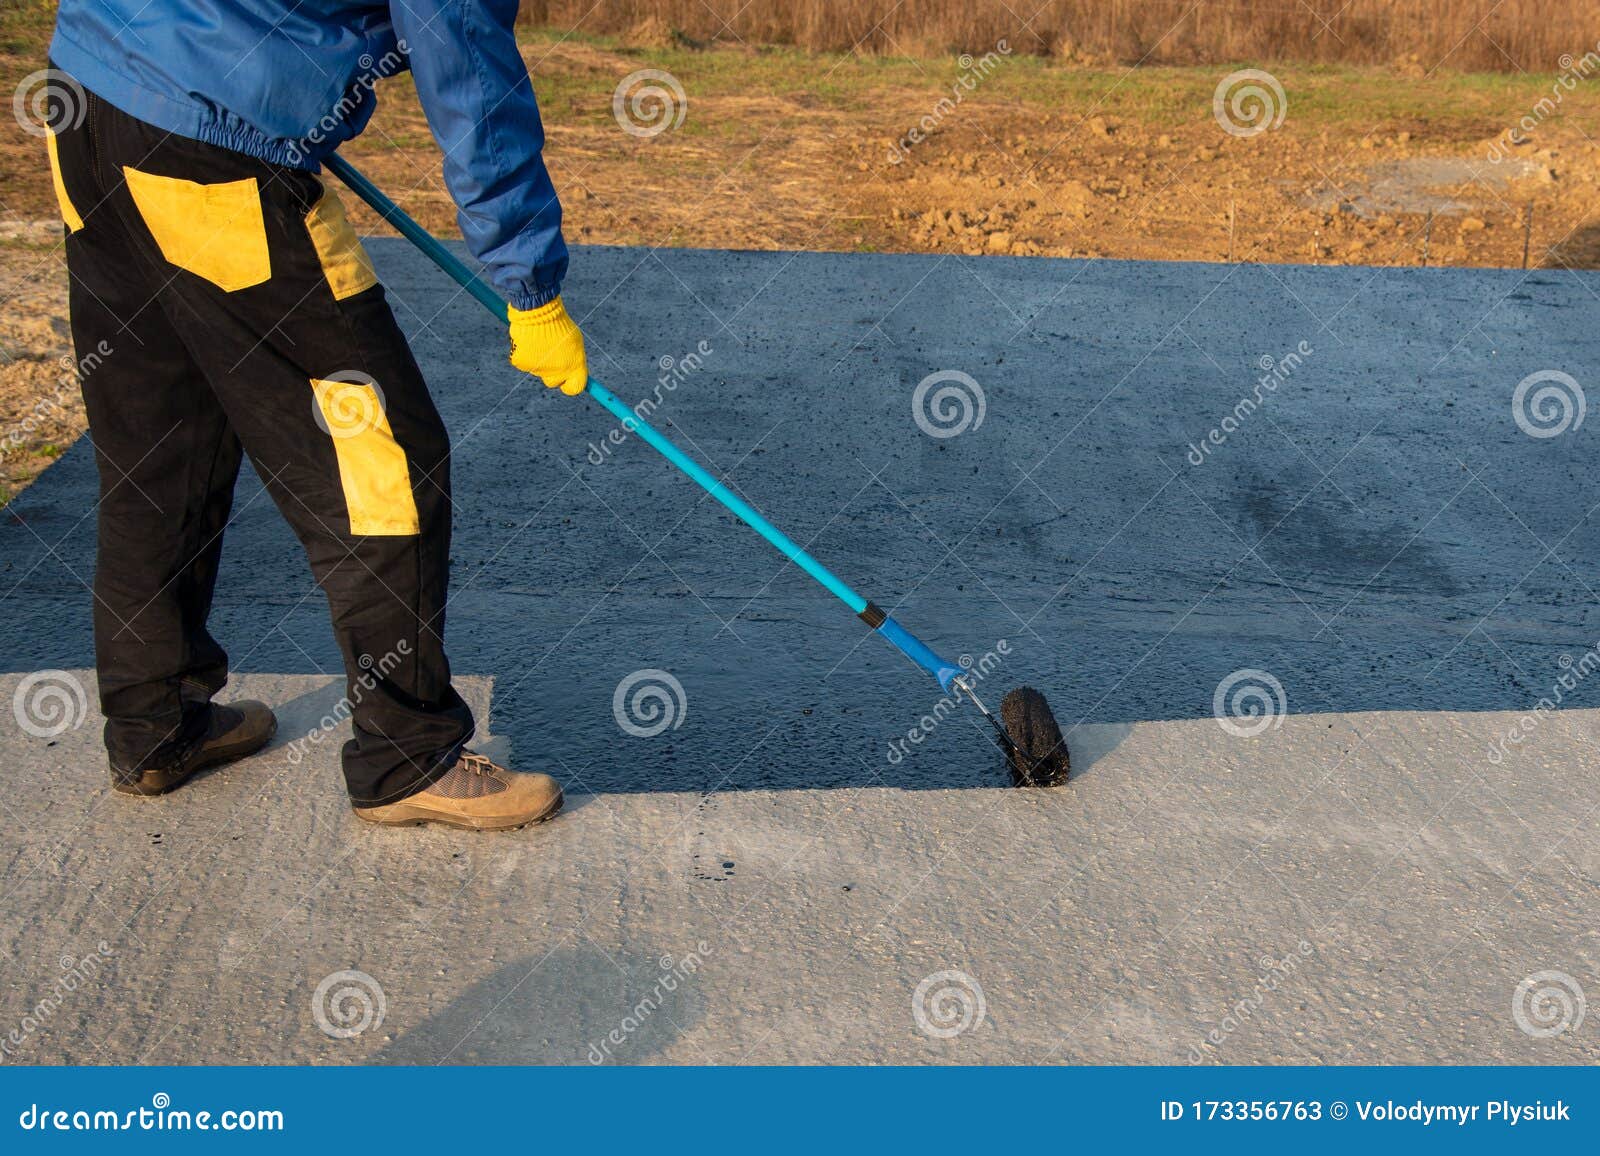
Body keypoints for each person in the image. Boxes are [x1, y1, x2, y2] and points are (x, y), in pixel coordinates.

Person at [43, 0, 582, 830]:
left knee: (160, 440)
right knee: (384, 463)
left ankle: (154, 724)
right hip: (207, 151)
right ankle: (406, 755)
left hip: (87, 97)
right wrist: (529, 281)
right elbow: (465, 59)